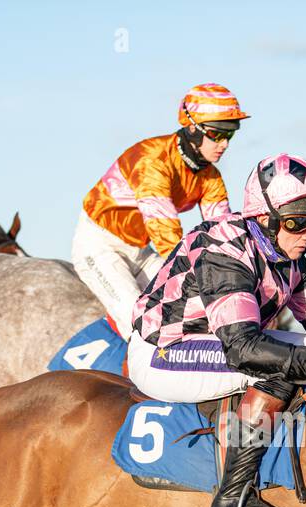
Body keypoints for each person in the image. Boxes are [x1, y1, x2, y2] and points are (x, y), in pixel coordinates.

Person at [127, 153, 306, 507]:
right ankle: (233, 496)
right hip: (164, 351)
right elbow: (244, 349)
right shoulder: (224, 249)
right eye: (298, 223)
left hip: (219, 341)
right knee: (281, 368)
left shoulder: (290, 255)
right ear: (264, 219)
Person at [74, 83, 245, 340]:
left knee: (201, 309)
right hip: (99, 246)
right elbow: (165, 233)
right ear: (191, 128)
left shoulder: (210, 176)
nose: (224, 144)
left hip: (140, 252)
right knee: (142, 323)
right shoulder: (153, 160)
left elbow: (222, 233)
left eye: (230, 135)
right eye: (217, 134)